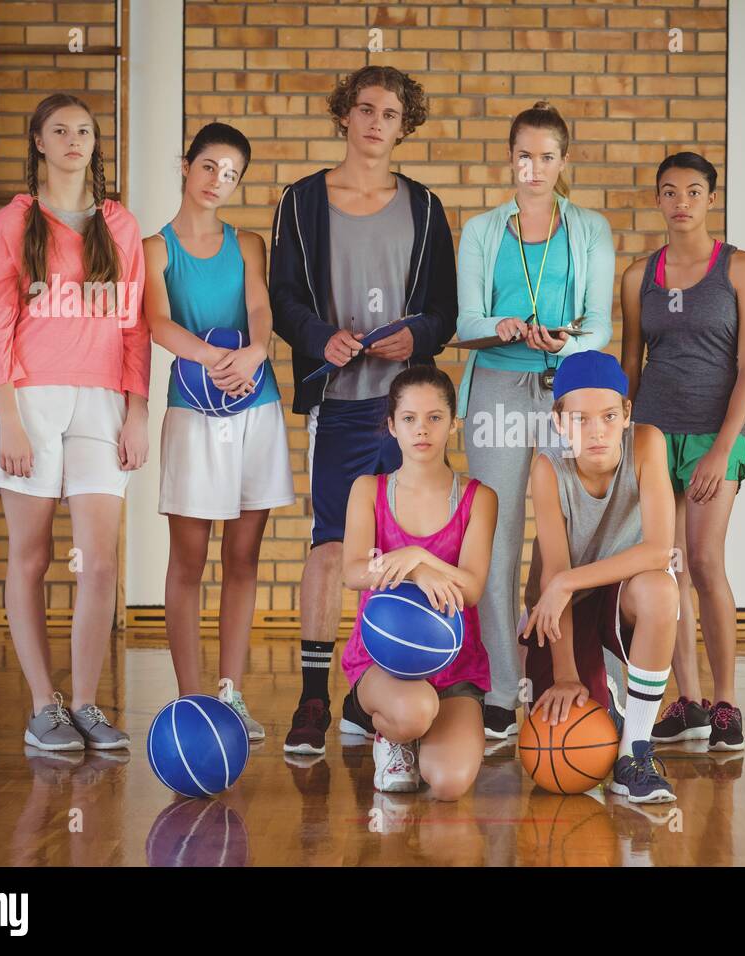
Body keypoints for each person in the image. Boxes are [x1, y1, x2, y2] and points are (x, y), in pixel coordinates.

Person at [270, 66, 458, 755]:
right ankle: (313, 698)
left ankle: (379, 688)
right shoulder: (300, 202)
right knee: (330, 546)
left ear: (405, 127)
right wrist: (321, 337)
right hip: (340, 405)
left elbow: (444, 310)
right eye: (367, 109)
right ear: (344, 114)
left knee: (409, 544)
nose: (377, 123)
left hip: (405, 407)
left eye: (391, 114)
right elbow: (284, 298)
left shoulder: (426, 207)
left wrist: (420, 337)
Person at [0, 93, 150, 750]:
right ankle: (42, 707)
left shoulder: (120, 224)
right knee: (33, 556)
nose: (74, 140)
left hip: (102, 402)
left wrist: (137, 412)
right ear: (39, 142)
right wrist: (9, 416)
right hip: (31, 399)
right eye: (60, 130)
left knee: (99, 563)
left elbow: (134, 327)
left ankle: (84, 703)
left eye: (84, 130)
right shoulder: (14, 222)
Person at [455, 101, 617, 739]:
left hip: (563, 389)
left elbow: (599, 324)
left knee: (563, 535)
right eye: (524, 155)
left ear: (562, 161)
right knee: (497, 537)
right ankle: (501, 687)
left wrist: (567, 343)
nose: (535, 167)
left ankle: (561, 670)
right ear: (510, 159)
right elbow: (465, 320)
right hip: (496, 387)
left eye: (547, 156)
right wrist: (498, 325)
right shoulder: (481, 230)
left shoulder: (590, 229)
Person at [143, 122, 294, 740]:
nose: (217, 180)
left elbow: (259, 308)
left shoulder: (248, 243)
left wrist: (256, 352)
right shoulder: (156, 249)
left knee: (242, 555)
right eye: (209, 166)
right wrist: (216, 359)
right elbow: (157, 322)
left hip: (256, 407)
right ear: (187, 166)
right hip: (194, 410)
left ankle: (230, 693)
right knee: (188, 559)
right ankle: (191, 699)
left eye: (231, 174)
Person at [620, 152, 745, 751]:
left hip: (712, 435)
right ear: (658, 199)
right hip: (654, 433)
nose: (682, 202)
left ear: (710, 199)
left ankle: (726, 703)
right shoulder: (638, 276)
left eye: (694, 191)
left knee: (704, 562)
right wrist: (622, 433)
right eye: (670, 191)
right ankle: (690, 703)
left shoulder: (741, 269)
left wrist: (721, 449)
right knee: (669, 565)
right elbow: (632, 364)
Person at [520, 351, 680, 803]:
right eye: (580, 419)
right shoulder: (548, 468)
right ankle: (604, 701)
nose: (597, 431)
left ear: (627, 413)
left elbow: (658, 550)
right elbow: (553, 577)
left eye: (609, 416)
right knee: (570, 744)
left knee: (662, 590)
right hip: (563, 613)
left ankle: (635, 754)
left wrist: (567, 581)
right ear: (558, 421)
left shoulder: (647, 442)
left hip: (620, 595)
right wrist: (566, 675)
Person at [339, 366, 498, 797]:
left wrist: (420, 555)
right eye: (409, 418)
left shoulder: (478, 498)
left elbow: (471, 588)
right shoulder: (368, 490)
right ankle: (393, 735)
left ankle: (423, 732)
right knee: (414, 712)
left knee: (448, 784)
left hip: (454, 662)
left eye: (434, 417)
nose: (421, 429)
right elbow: (353, 571)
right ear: (392, 426)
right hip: (383, 662)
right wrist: (415, 571)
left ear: (453, 423)